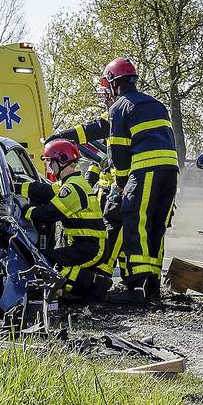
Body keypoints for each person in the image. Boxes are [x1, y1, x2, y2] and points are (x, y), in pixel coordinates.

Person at [47, 58, 178, 305]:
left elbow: (118, 151)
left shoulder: (120, 107)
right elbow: (99, 127)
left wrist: (121, 182)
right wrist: (64, 136)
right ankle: (151, 286)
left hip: (144, 170)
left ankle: (136, 288)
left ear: (113, 84)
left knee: (136, 223)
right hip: (170, 172)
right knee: (155, 226)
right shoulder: (152, 104)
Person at [19, 140, 119, 301]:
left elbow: (49, 214)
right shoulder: (72, 182)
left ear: (62, 160)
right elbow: (46, 190)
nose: (49, 166)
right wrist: (18, 186)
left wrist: (24, 211)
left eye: (50, 161)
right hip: (87, 244)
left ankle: (97, 285)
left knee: (49, 263)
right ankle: (83, 285)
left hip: (91, 247)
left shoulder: (72, 188)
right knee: (52, 260)